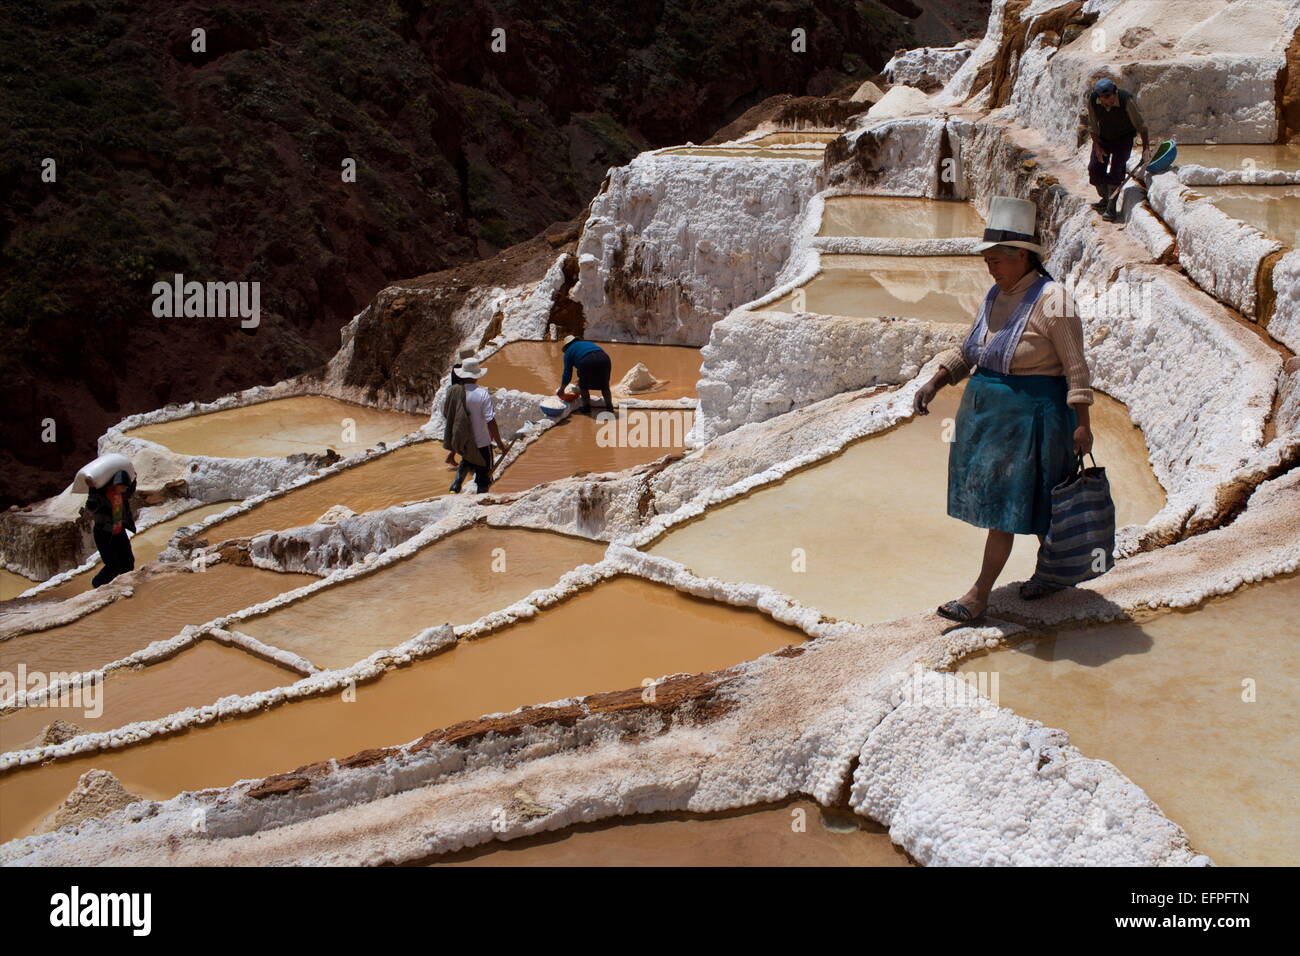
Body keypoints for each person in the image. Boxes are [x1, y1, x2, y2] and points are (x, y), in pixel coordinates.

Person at [913, 196, 1094, 623]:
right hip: (990, 421)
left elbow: (1077, 367)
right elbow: (973, 350)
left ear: (1023, 257)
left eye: (997, 259)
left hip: (1034, 421)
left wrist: (1083, 424)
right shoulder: (996, 295)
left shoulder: (1054, 300)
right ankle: (1053, 574)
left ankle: (978, 596)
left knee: (1010, 507)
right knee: (1030, 502)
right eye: (988, 259)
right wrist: (936, 381)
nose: (990, 267)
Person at [1085, 77, 1150, 221]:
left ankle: (1111, 208)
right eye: (1103, 99)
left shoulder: (1126, 100)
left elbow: (1141, 126)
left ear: (1115, 93)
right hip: (1103, 137)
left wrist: (1146, 148)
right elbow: (1092, 125)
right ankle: (1106, 198)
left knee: (1116, 171)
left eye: (1108, 98)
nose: (1106, 102)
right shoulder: (1094, 100)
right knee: (1094, 169)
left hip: (1123, 139)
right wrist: (1097, 146)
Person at [446, 356, 507, 493]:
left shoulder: (455, 393)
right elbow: (490, 421)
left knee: (466, 461)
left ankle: (456, 485)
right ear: (476, 376)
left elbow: (451, 418)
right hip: (482, 443)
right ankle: (480, 502)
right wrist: (500, 444)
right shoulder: (482, 395)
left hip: (465, 443)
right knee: (483, 479)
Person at [83, 469, 137, 587]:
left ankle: (126, 584)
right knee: (113, 565)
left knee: (128, 561)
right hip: (104, 534)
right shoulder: (101, 495)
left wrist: (134, 478)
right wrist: (91, 488)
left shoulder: (122, 493)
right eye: (123, 487)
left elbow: (130, 491)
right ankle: (97, 584)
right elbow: (91, 506)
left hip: (119, 532)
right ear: (116, 485)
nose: (125, 490)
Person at [556, 335, 614, 417]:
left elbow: (567, 373)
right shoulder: (585, 343)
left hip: (586, 360)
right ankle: (609, 407)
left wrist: (562, 389)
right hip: (604, 358)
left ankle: (586, 407)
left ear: (566, 346)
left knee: (583, 385)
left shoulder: (568, 352)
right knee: (604, 384)